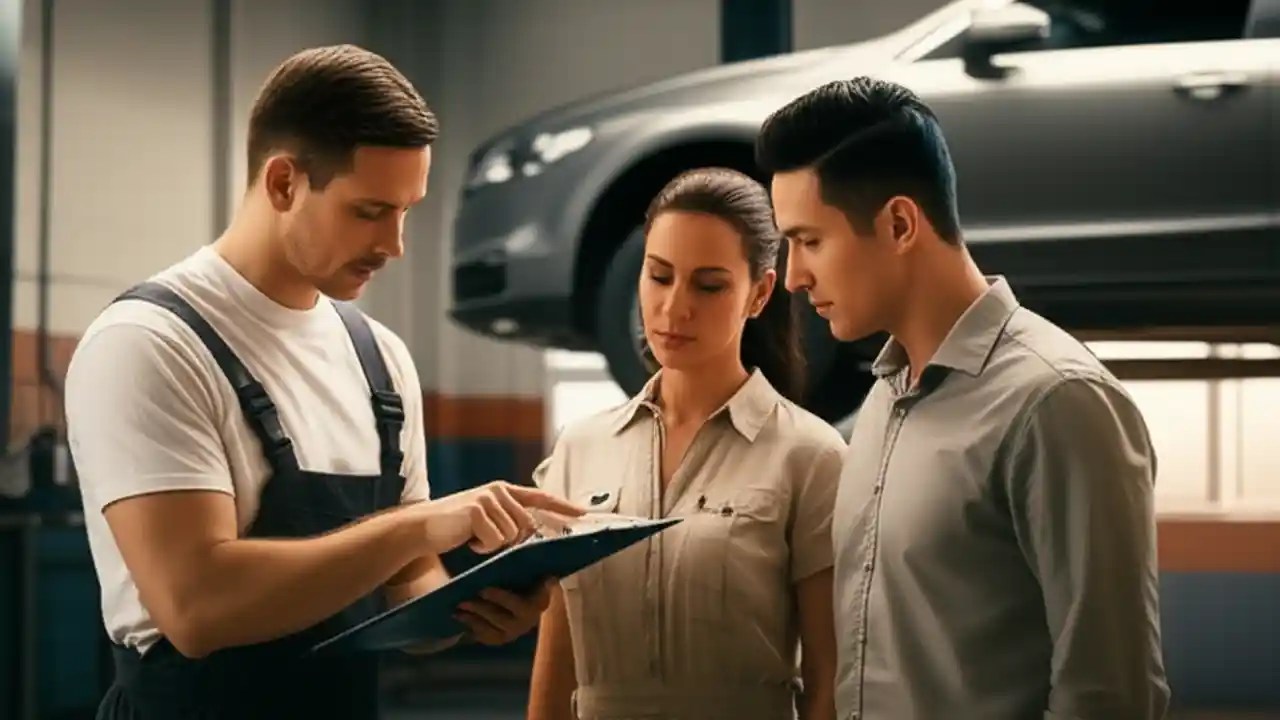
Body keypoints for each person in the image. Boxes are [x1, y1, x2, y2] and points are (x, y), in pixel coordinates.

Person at [63, 44, 583, 720]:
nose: (395, 244)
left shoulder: (381, 360)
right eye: (370, 211)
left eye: (407, 212)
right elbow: (195, 607)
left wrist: (474, 605)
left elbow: (406, 580)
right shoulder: (150, 346)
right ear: (283, 184)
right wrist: (417, 525)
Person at [756, 76, 1172, 719]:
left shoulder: (1057, 402)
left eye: (810, 240)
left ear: (899, 223)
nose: (793, 276)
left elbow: (1110, 690)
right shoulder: (882, 401)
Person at [526, 167, 844, 720]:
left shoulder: (810, 456)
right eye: (659, 276)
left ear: (760, 293)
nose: (675, 307)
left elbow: (829, 680)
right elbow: (556, 667)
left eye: (709, 284)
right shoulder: (581, 447)